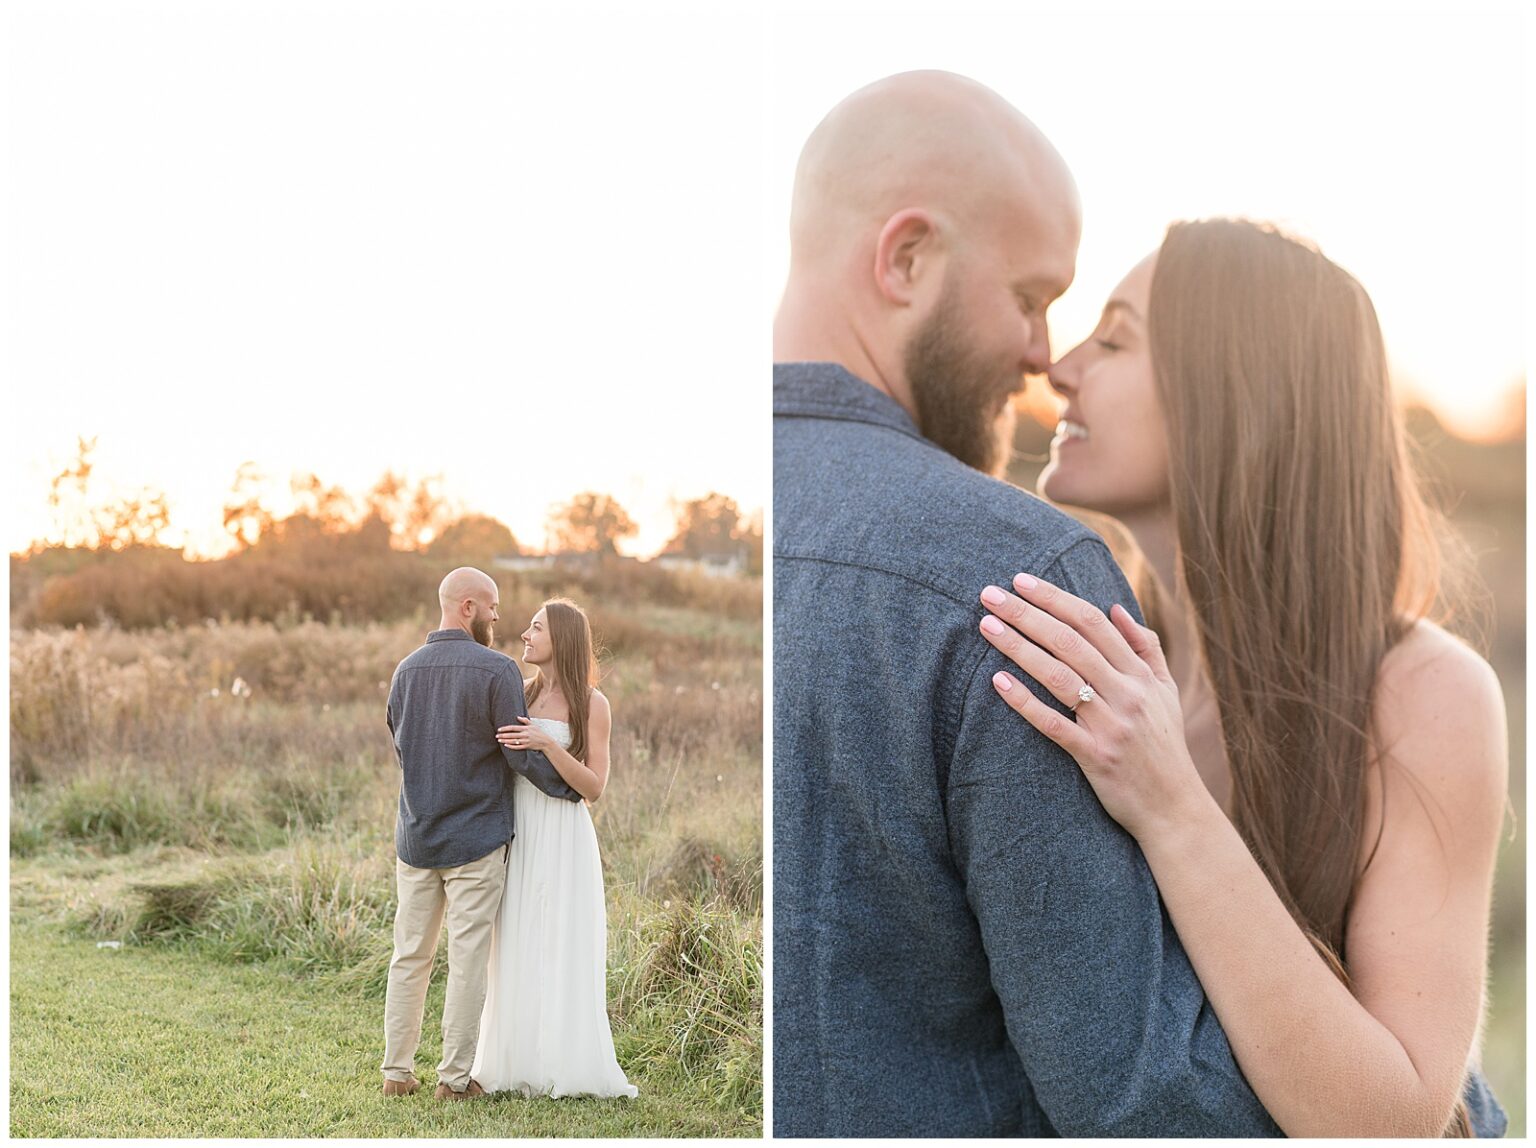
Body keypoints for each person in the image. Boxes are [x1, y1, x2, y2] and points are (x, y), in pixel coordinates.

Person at [772, 71, 1278, 1136]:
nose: (1047, 355)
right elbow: (1145, 1101)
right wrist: (1445, 1107)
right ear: (907, 259)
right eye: (1033, 297)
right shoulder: (1014, 571)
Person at [975, 218, 1507, 1136]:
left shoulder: (1426, 695)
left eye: (1116, 338)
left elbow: (1394, 1125)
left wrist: (1168, 801)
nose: (1059, 367)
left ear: (1235, 395)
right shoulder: (1118, 659)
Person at [380, 566, 545, 1100]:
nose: (499, 617)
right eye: (493, 606)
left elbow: (401, 745)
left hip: (418, 837)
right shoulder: (497, 671)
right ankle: (453, 1081)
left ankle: (396, 1075)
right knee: (467, 959)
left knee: (410, 956)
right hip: (476, 839)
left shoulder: (405, 670)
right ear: (467, 606)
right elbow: (516, 754)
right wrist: (571, 786)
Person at [471, 597, 637, 1099]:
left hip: (564, 831)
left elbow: (593, 786)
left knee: (563, 939)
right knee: (516, 937)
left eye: (535, 628)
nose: (524, 634)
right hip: (519, 826)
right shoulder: (518, 694)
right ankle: (510, 1064)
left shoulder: (593, 704)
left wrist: (548, 745)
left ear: (560, 638)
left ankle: (565, 1062)